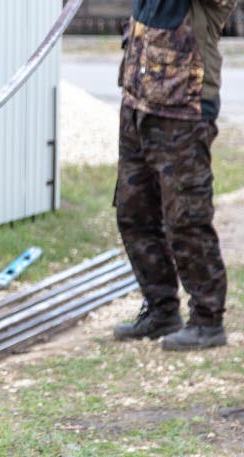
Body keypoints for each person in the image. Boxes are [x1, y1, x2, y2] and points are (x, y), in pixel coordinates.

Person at [112, 0, 238, 351]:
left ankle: (207, 320)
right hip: (137, 106)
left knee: (186, 218)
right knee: (133, 213)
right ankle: (161, 309)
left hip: (184, 112)